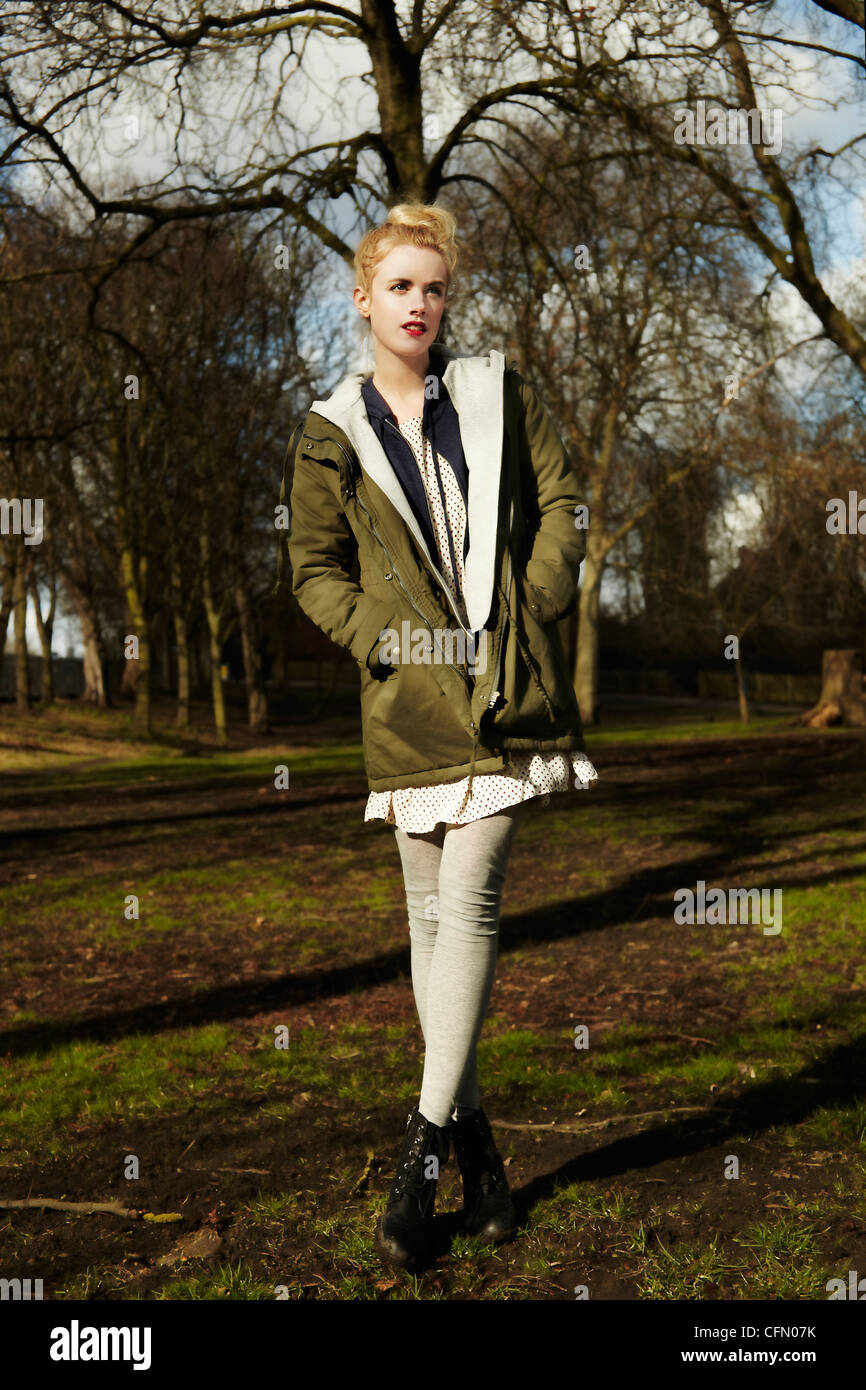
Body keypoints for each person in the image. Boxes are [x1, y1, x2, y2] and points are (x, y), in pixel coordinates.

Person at [276, 202, 599, 1269]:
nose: (420, 303)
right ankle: (485, 1159)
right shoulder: (329, 433)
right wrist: (384, 639)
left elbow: (564, 501)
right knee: (426, 929)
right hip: (408, 710)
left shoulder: (496, 394)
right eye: (400, 286)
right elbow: (313, 572)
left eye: (435, 286)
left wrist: (535, 594)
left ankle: (419, 1156)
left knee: (468, 900)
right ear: (362, 299)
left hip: (508, 700)